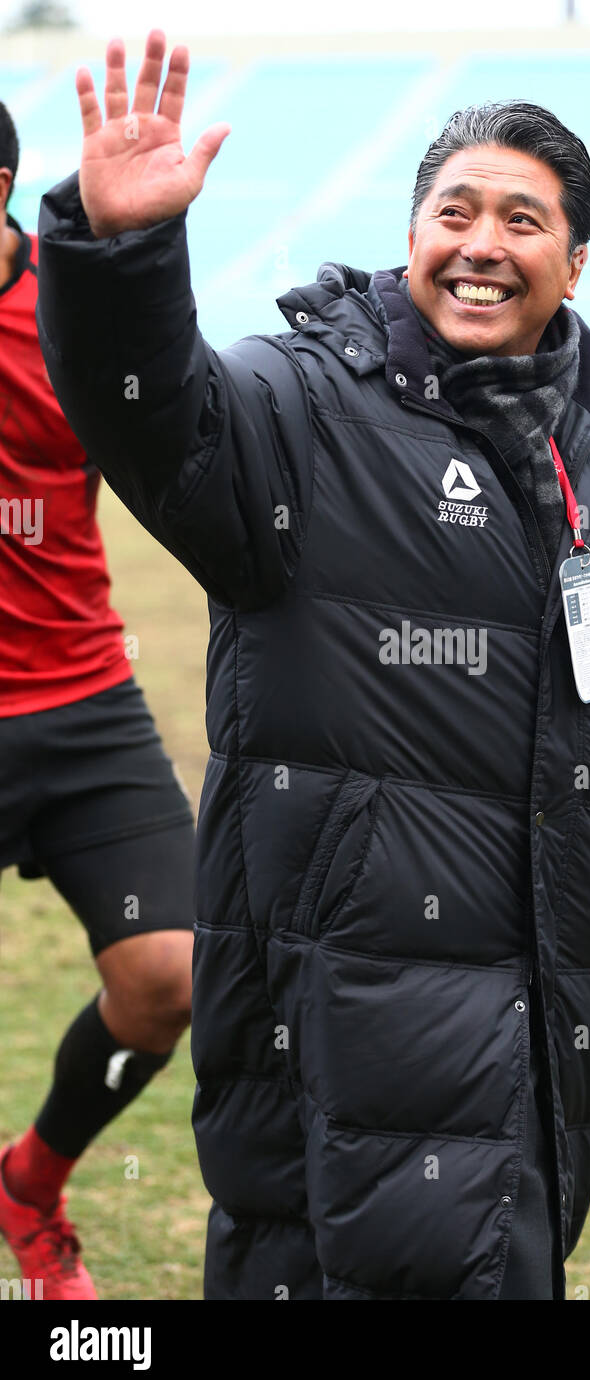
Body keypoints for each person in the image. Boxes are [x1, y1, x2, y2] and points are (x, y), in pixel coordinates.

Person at [35, 31, 590, 1301]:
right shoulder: (301, 402)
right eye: (452, 210)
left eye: (521, 219)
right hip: (340, 992)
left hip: (545, 979)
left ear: (573, 262)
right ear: (410, 235)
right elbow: (154, 417)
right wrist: (121, 255)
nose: (479, 243)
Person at [0, 98, 196, 1300]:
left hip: (79, 701)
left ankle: (30, 1182)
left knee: (170, 977)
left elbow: (181, 424)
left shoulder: (62, 311)